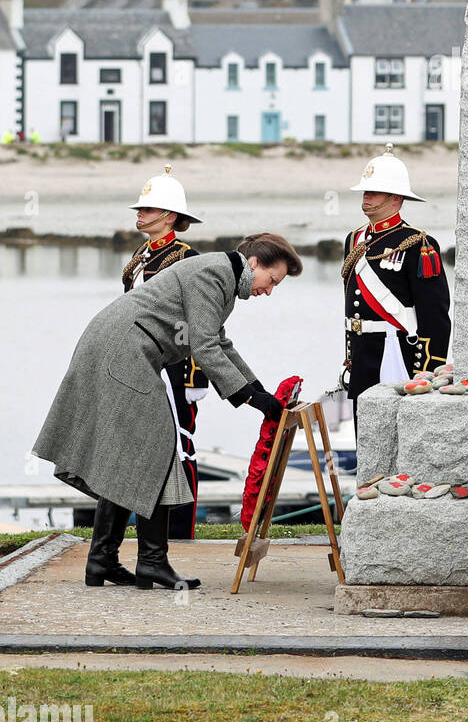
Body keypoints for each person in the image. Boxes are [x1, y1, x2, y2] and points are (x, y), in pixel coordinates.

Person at [33, 233, 302, 590]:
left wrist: (261, 392)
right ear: (254, 264)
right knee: (158, 445)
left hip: (122, 347)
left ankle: (102, 561)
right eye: (272, 281)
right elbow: (204, 347)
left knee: (129, 454)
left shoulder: (222, 273)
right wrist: (253, 399)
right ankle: (151, 563)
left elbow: (220, 341)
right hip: (123, 352)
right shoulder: (215, 274)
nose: (269, 290)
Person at [342, 144, 451, 433]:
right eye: (366, 190)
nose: (366, 197)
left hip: (400, 354)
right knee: (364, 437)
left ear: (396, 198)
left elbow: (435, 314)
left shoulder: (418, 243)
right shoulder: (354, 240)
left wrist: (428, 368)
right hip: (363, 356)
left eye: (374, 191)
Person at [122, 165, 204, 539]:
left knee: (179, 443)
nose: (140, 214)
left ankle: (181, 530)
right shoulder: (142, 255)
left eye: (148, 209)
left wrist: (193, 375)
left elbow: (202, 319)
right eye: (140, 209)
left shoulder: (186, 257)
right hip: (141, 362)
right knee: (141, 441)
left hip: (174, 366)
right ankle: (148, 528)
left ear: (170, 216)